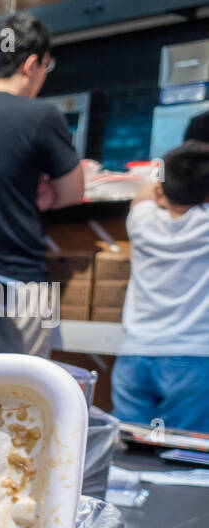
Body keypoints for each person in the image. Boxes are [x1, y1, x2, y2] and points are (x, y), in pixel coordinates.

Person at [0, 12, 83, 356]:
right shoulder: (41, 115)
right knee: (24, 397)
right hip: (22, 281)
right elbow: (73, 193)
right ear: (31, 65)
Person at [110, 142, 209, 432]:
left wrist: (160, 188)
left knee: (130, 450)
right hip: (193, 358)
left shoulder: (143, 221)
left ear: (161, 191)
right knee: (183, 455)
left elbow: (143, 193)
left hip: (134, 355)